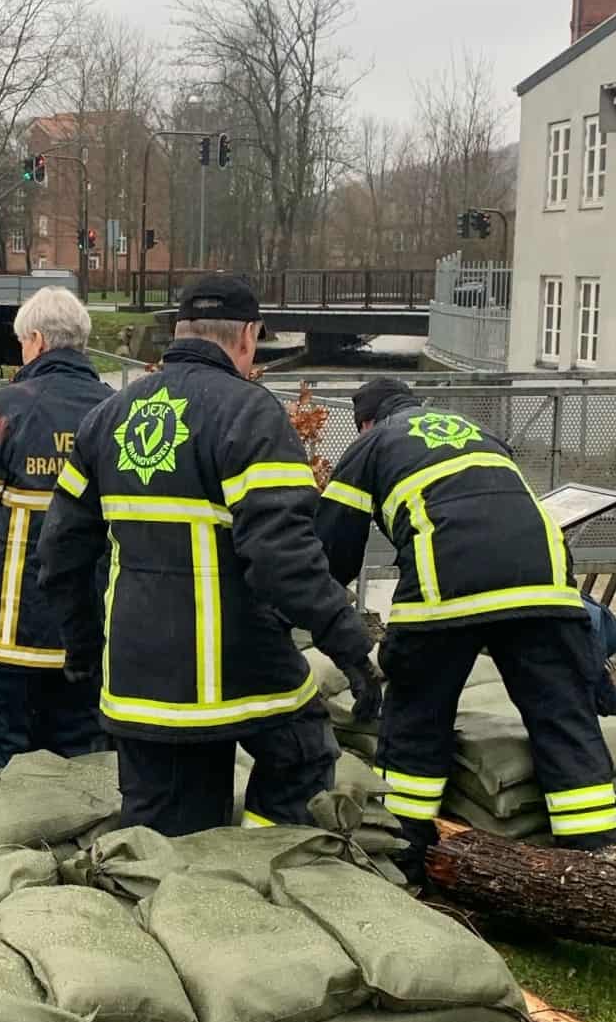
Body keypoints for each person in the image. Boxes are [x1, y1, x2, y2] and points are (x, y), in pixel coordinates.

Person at [37, 274, 376, 836]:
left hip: (140, 678)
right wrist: (352, 650)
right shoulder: (250, 414)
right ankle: (260, 875)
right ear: (248, 335)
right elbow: (284, 557)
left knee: (159, 842)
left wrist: (83, 647)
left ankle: (167, 912)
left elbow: (61, 554)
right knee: (301, 762)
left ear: (179, 331)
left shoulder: (107, 418)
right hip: (238, 669)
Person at [314, 376, 616, 880]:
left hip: (444, 592)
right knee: (564, 720)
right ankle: (598, 867)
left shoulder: (372, 443)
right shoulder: (478, 432)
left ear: (365, 421)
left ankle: (405, 856)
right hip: (545, 586)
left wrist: (315, 615)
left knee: (417, 720)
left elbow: (332, 551)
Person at [0, 285, 110, 766]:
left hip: (1, 633)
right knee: (83, 766)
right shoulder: (115, 411)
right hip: (89, 634)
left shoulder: (6, 408)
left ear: (35, 340)